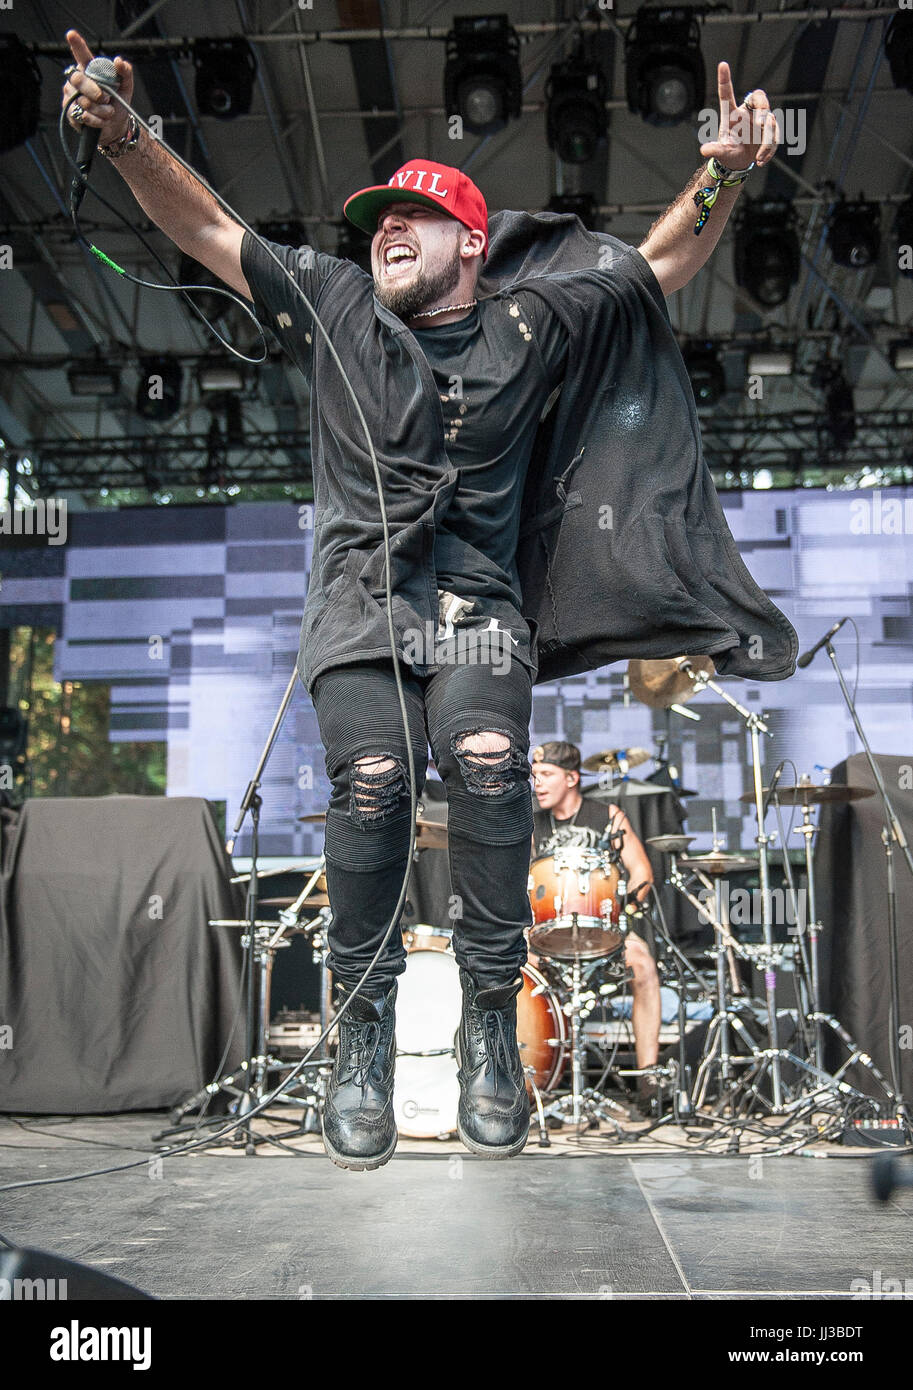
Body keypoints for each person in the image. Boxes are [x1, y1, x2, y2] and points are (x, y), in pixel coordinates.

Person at [61, 31, 793, 1170]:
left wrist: (725, 173)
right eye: (372, 224)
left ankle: (490, 1023)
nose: (382, 232)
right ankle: (358, 1029)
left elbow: (656, 266)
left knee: (492, 755)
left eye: (408, 217)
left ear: (468, 242)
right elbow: (207, 226)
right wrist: (125, 133)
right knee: (372, 778)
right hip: (358, 596)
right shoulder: (338, 303)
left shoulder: (529, 324)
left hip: (476, 599)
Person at [530, 741, 661, 1111]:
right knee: (512, 972)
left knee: (644, 966)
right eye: (534, 776)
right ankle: (533, 1083)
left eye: (546, 776)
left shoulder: (608, 815)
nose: (537, 784)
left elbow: (642, 873)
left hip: (601, 930)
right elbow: (518, 882)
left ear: (572, 778)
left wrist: (623, 911)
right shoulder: (530, 822)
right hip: (545, 935)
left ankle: (648, 1080)